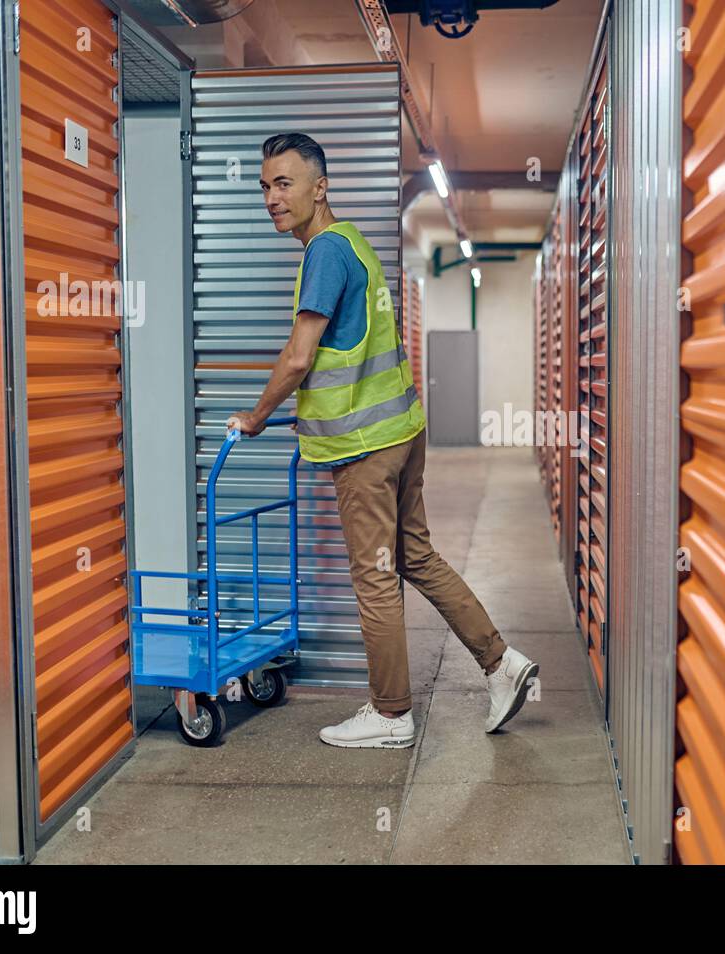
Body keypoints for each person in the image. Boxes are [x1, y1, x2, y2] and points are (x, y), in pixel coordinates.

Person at [226, 133, 537, 748]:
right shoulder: (358, 247)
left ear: (321, 187)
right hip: (402, 432)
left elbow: (299, 358)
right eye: (264, 185)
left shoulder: (323, 252)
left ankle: (391, 715)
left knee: (375, 575)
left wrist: (258, 415)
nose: (271, 197)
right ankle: (501, 664)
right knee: (415, 557)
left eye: (283, 183)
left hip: (366, 448)